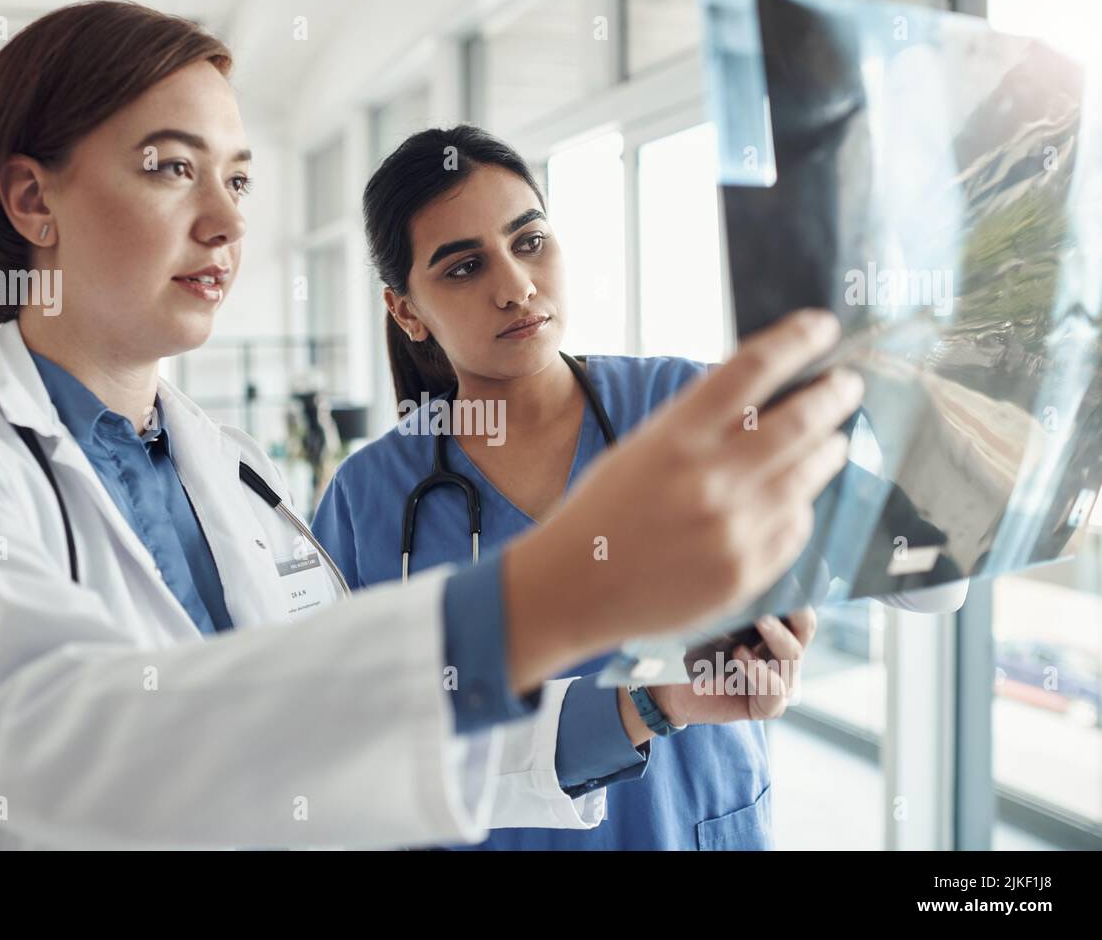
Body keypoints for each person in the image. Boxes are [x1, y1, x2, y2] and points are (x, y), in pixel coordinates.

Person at [0, 1, 863, 850]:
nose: (226, 222)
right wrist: (558, 596)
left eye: (235, 178)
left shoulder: (236, 483)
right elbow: (66, 746)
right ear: (31, 203)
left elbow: (354, 740)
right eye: (172, 168)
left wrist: (656, 707)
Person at [312, 125, 967, 850]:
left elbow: (934, 583)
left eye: (529, 241)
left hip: (691, 827)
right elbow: (345, 750)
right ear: (407, 310)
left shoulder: (691, 409)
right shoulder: (365, 496)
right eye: (465, 268)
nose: (517, 287)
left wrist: (899, 375)